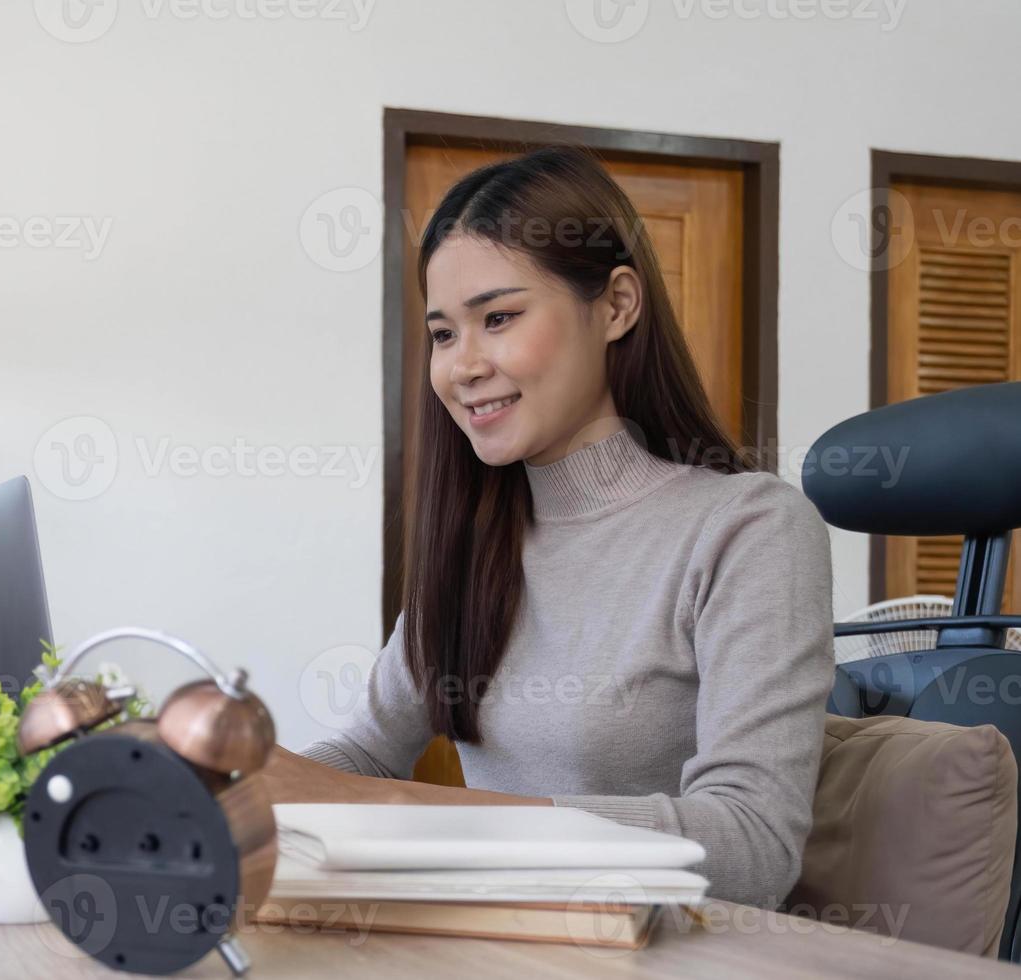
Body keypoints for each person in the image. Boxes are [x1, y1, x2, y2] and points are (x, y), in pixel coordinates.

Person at [262, 147, 834, 908]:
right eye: (441, 334)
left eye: (497, 318)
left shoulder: (748, 531)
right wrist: (246, 786)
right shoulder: (469, 544)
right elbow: (366, 752)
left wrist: (413, 813)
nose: (461, 366)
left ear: (617, 306)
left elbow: (750, 846)